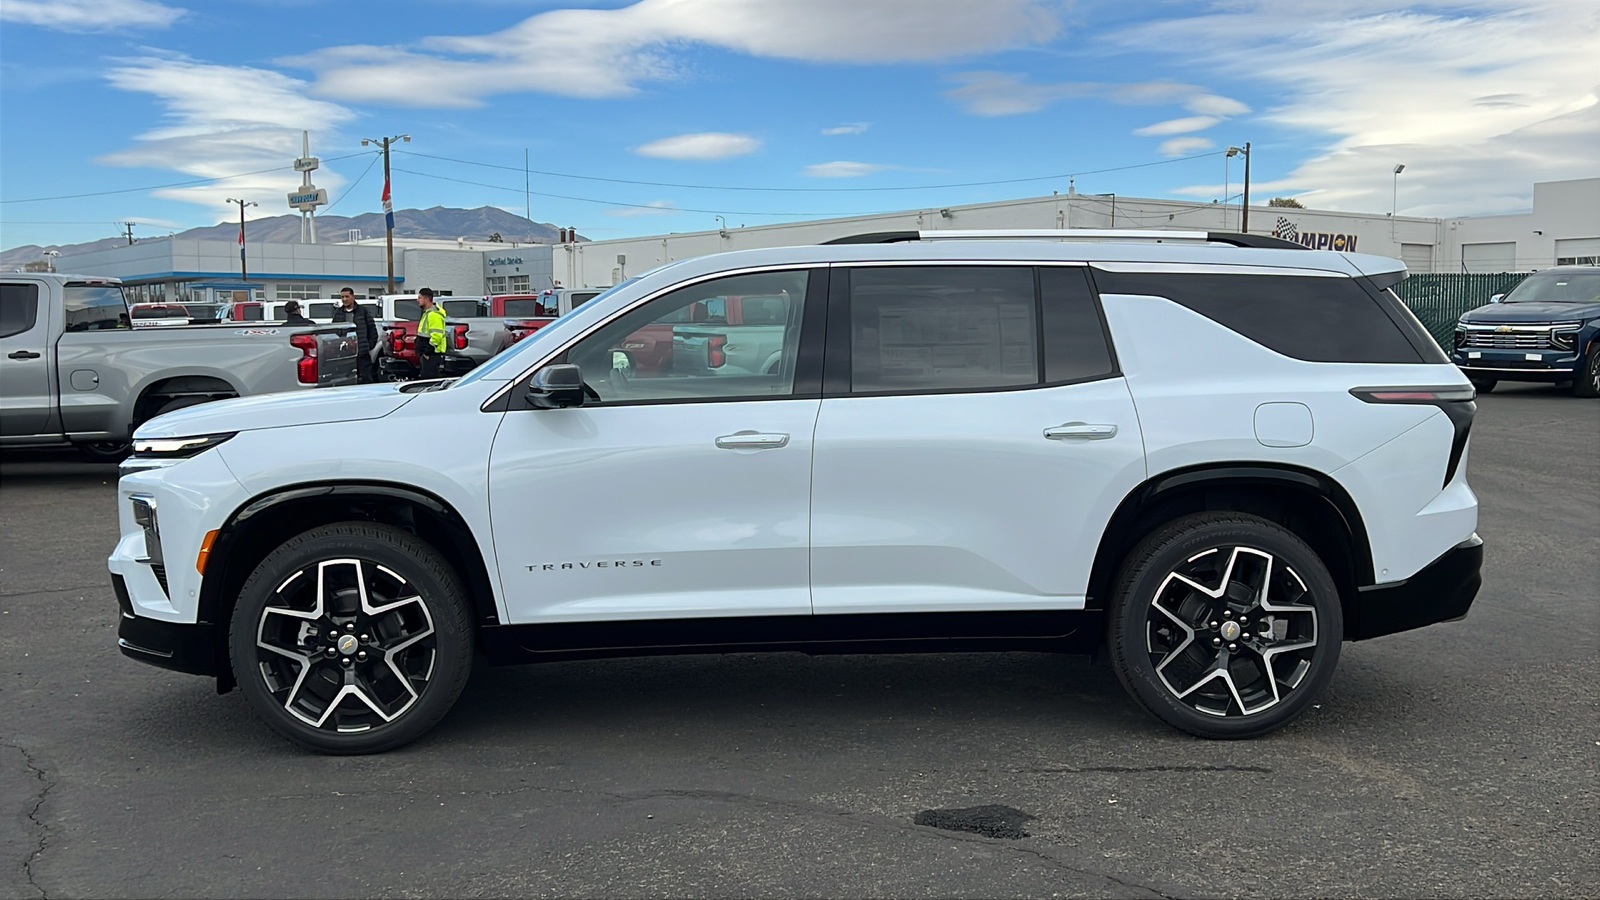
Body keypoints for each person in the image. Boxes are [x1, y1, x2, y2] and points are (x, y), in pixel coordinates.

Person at [331, 287, 379, 383]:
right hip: (345, 353)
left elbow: (372, 330)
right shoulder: (338, 313)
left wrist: (368, 345)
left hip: (362, 352)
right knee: (346, 379)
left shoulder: (363, 311)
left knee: (367, 377)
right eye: (342, 297)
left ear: (353, 297)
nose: (344, 299)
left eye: (347, 296)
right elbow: (334, 331)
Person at [415, 287, 448, 380]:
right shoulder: (427, 313)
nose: (417, 300)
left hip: (432, 355)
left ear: (427, 299)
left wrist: (427, 352)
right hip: (428, 355)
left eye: (420, 298)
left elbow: (437, 336)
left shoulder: (433, 315)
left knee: (429, 380)